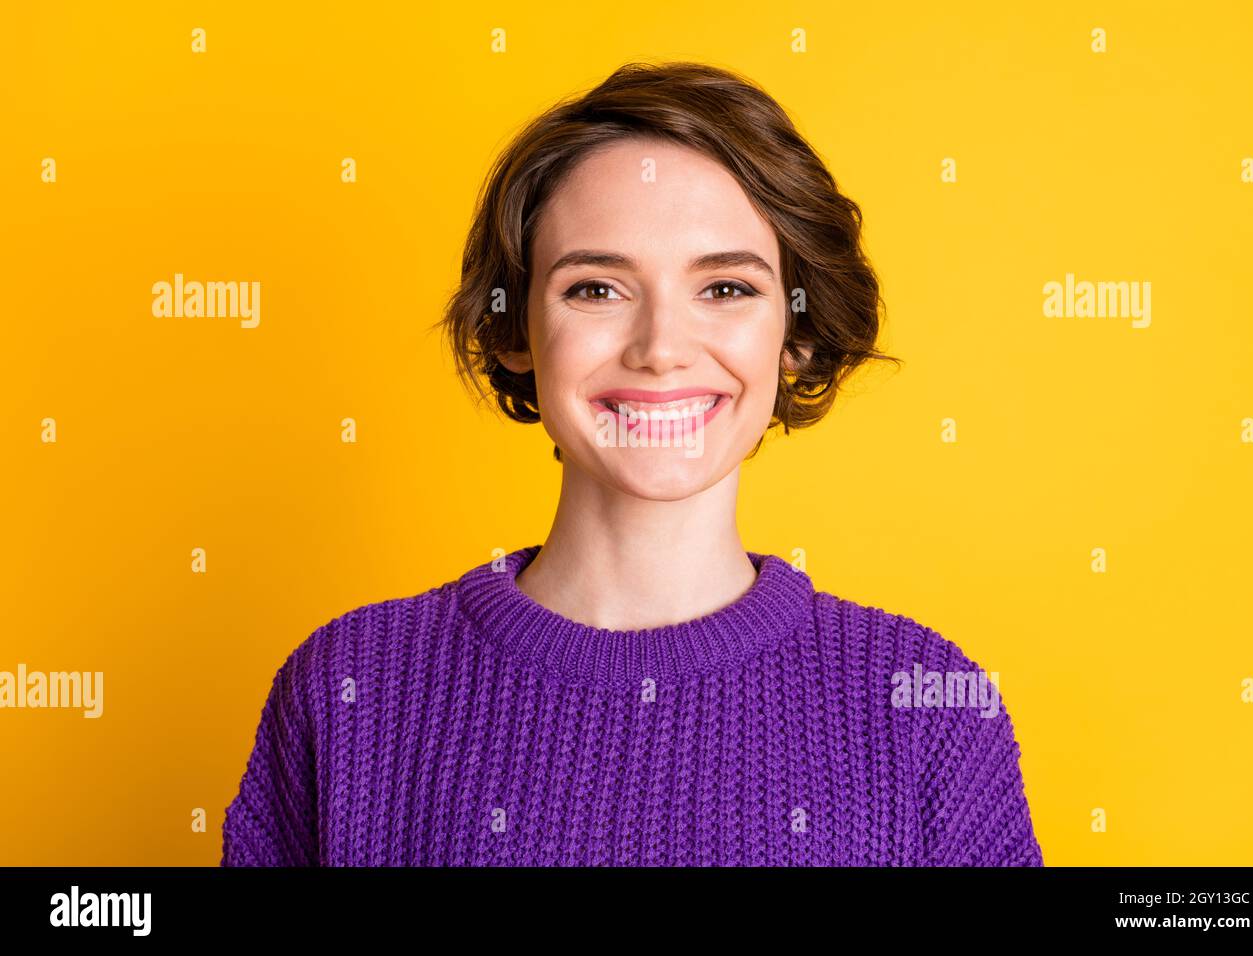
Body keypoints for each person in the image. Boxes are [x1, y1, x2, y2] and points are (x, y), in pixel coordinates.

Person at [221, 60, 1043, 866]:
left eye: (726, 288)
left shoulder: (928, 707)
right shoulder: (348, 689)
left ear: (796, 335)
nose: (660, 349)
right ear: (514, 332)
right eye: (596, 288)